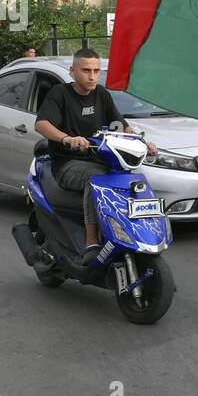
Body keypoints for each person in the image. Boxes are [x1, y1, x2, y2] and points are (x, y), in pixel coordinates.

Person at [33, 48, 157, 262]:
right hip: (68, 164)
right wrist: (67, 138)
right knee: (97, 180)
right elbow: (41, 124)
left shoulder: (101, 94)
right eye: (86, 70)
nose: (92, 76)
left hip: (100, 160)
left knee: (131, 179)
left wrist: (142, 142)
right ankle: (91, 241)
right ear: (72, 71)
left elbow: (120, 126)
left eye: (96, 71)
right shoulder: (59, 94)